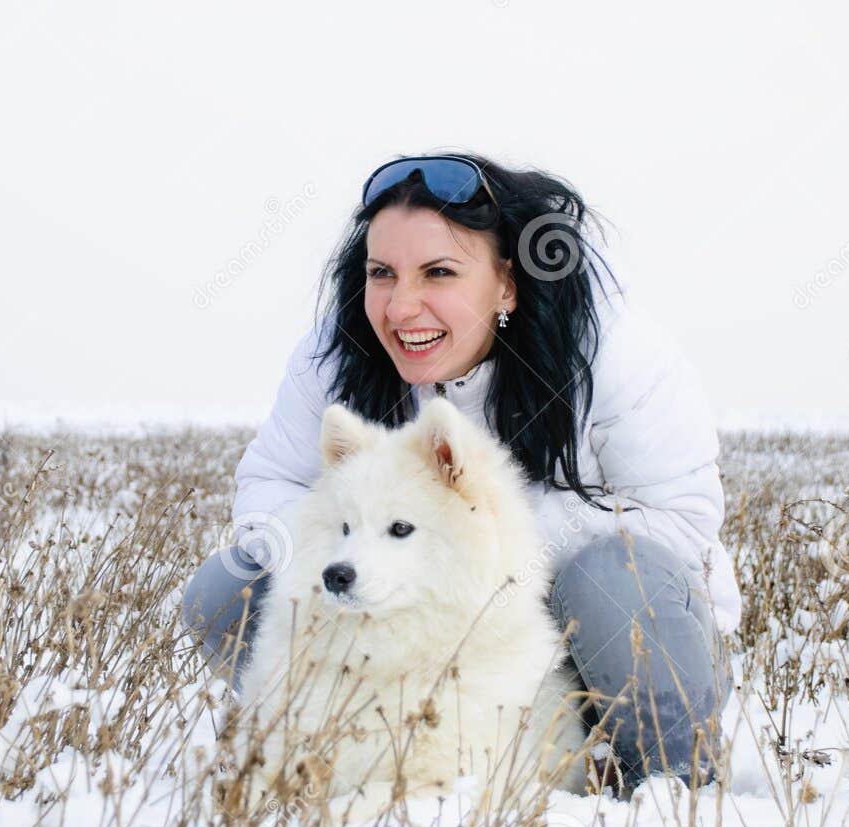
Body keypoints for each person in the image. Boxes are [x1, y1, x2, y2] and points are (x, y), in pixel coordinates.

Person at [181, 152, 739, 794]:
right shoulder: (334, 357)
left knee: (614, 575)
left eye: (439, 273)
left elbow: (681, 521)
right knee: (229, 588)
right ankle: (331, 747)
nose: (401, 307)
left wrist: (486, 541)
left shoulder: (614, 355)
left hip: (608, 640)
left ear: (507, 282)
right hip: (418, 635)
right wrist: (339, 540)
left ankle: (670, 786)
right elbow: (271, 485)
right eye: (382, 273)